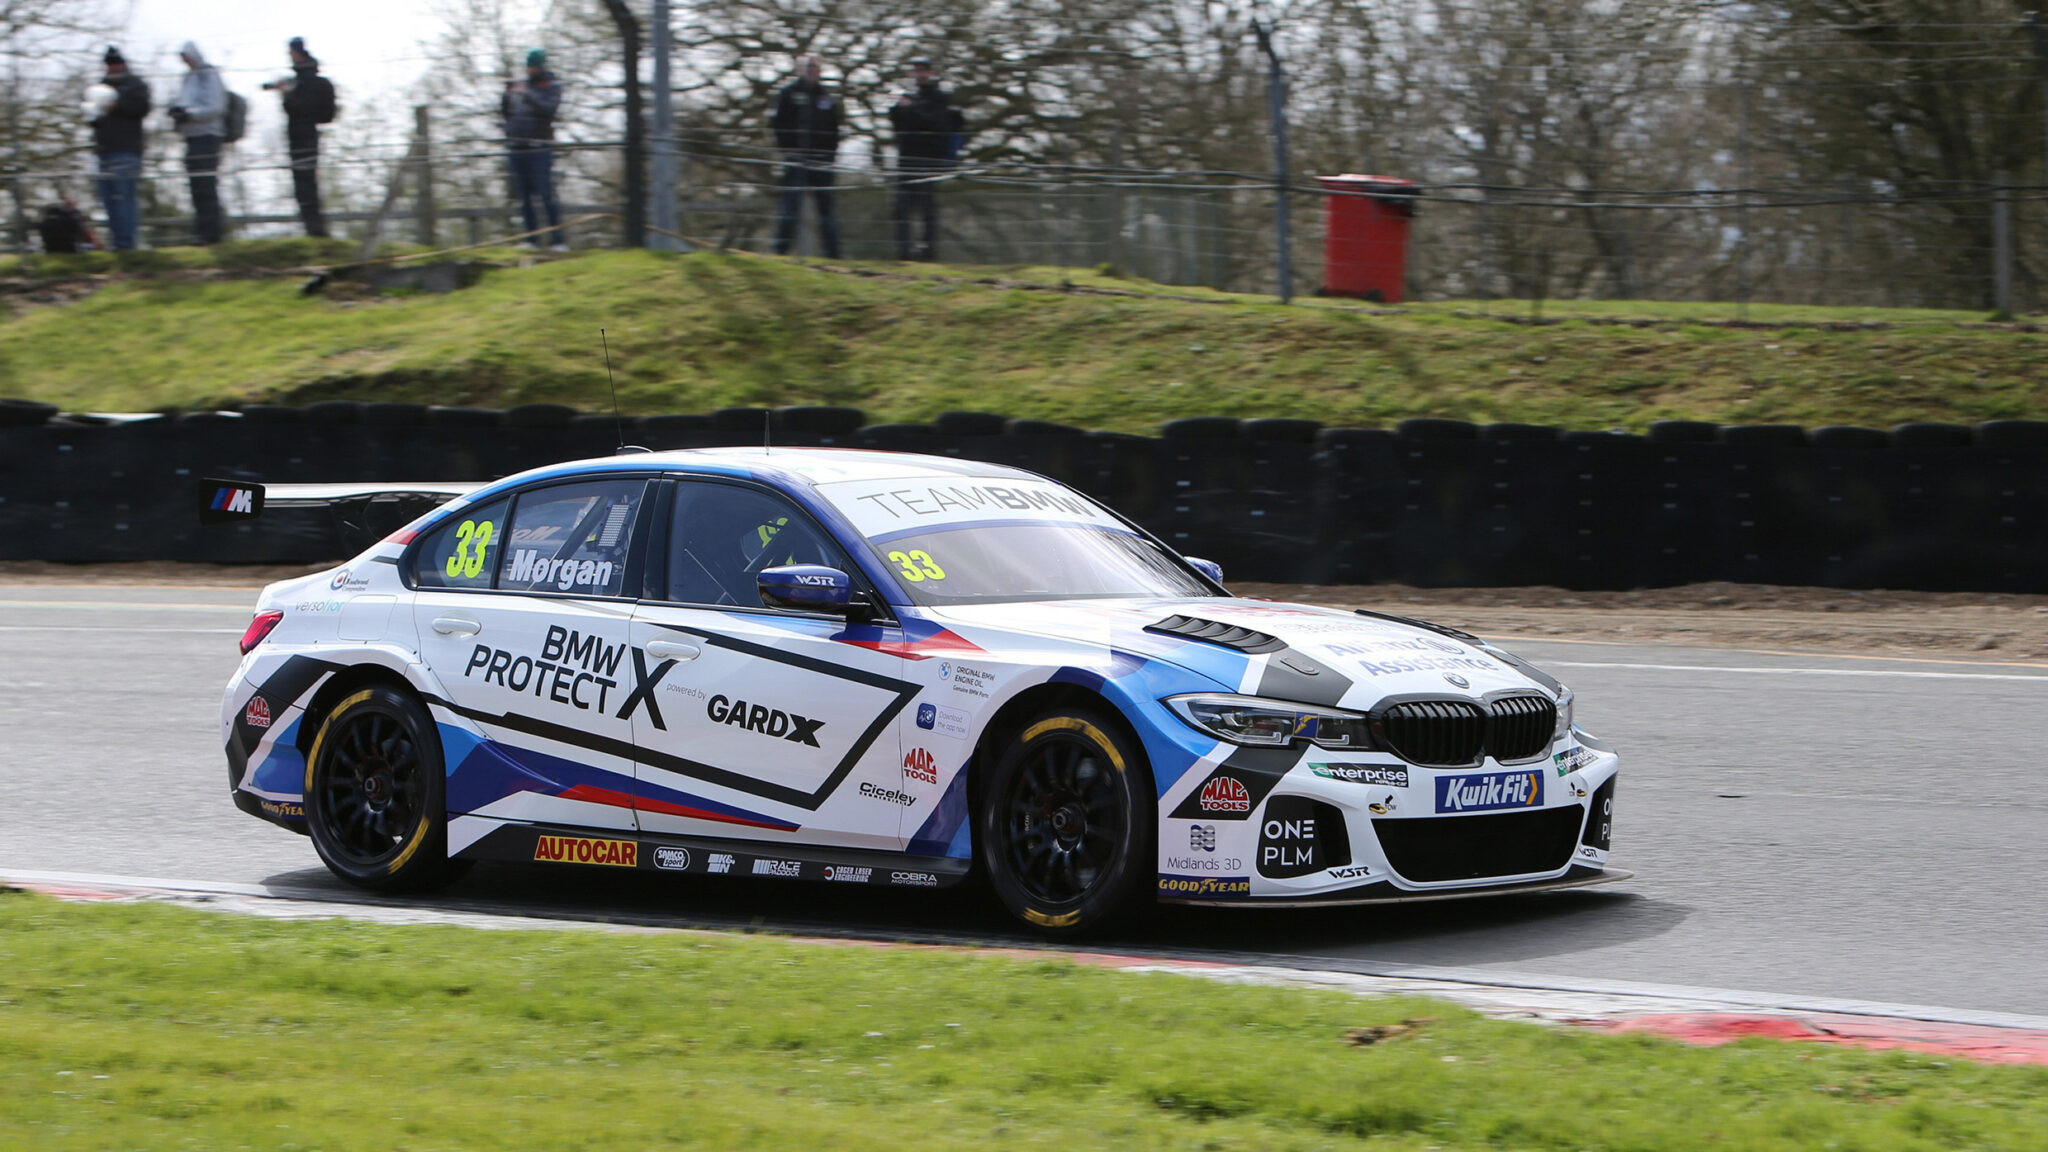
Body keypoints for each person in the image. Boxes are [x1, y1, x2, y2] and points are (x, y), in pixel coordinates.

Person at [886, 56, 962, 261]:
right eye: (916, 70)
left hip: (927, 160)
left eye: (922, 70)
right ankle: (904, 251)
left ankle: (928, 251)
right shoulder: (909, 95)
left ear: (930, 72)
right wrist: (895, 106)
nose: (919, 74)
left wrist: (909, 108)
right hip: (906, 159)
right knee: (901, 207)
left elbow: (933, 122)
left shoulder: (938, 97)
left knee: (927, 207)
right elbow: (897, 125)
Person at [770, 55, 843, 259]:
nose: (812, 70)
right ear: (800, 69)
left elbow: (835, 128)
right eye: (808, 66)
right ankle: (780, 251)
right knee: (789, 207)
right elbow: (777, 124)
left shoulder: (826, 96)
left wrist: (830, 155)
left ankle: (833, 254)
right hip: (796, 159)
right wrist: (788, 150)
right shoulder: (788, 93)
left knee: (826, 210)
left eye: (815, 67)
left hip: (822, 161)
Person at [267, 37, 336, 238]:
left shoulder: (305, 83)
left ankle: (315, 230)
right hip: (302, 135)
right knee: (305, 182)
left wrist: (286, 95)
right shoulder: (307, 80)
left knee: (305, 183)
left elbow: (298, 108)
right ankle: (313, 229)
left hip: (303, 136)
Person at [502, 49, 566, 250]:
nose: (529, 70)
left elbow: (548, 109)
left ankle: (558, 240)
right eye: (528, 66)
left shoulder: (551, 86)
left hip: (540, 148)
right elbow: (506, 113)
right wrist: (507, 95)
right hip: (517, 147)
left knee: (546, 194)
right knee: (524, 197)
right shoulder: (522, 86)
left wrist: (526, 94)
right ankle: (531, 239)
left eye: (533, 66)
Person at [89, 47, 150, 251]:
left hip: (126, 149)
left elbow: (141, 108)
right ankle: (116, 242)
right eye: (109, 64)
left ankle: (126, 243)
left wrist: (116, 105)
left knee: (123, 197)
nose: (112, 67)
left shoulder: (135, 85)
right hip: (103, 149)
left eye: (115, 63)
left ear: (122, 64)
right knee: (108, 199)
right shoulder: (100, 86)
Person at [168, 41, 229, 245]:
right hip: (191, 136)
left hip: (208, 135)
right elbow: (183, 101)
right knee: (195, 186)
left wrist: (191, 115)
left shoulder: (208, 74)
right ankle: (201, 232)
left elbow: (216, 106)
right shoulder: (188, 78)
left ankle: (212, 233)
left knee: (206, 185)